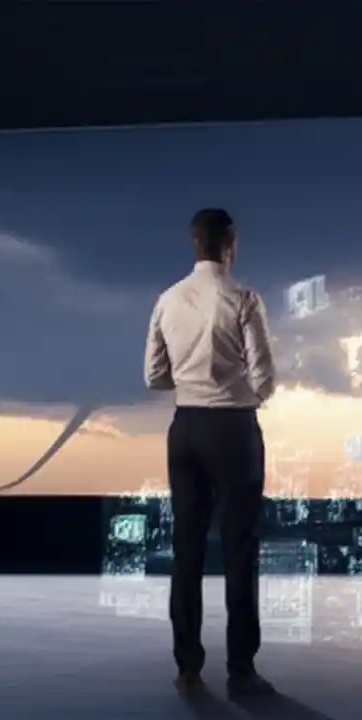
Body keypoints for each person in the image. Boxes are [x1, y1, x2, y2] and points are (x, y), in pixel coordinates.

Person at [144, 208, 277, 696]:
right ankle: (241, 668)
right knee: (240, 550)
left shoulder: (167, 300)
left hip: (186, 429)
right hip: (234, 429)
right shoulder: (244, 299)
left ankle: (187, 664)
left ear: (193, 242)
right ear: (231, 244)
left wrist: (192, 382)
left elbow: (153, 377)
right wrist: (239, 392)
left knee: (188, 549)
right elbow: (264, 377)